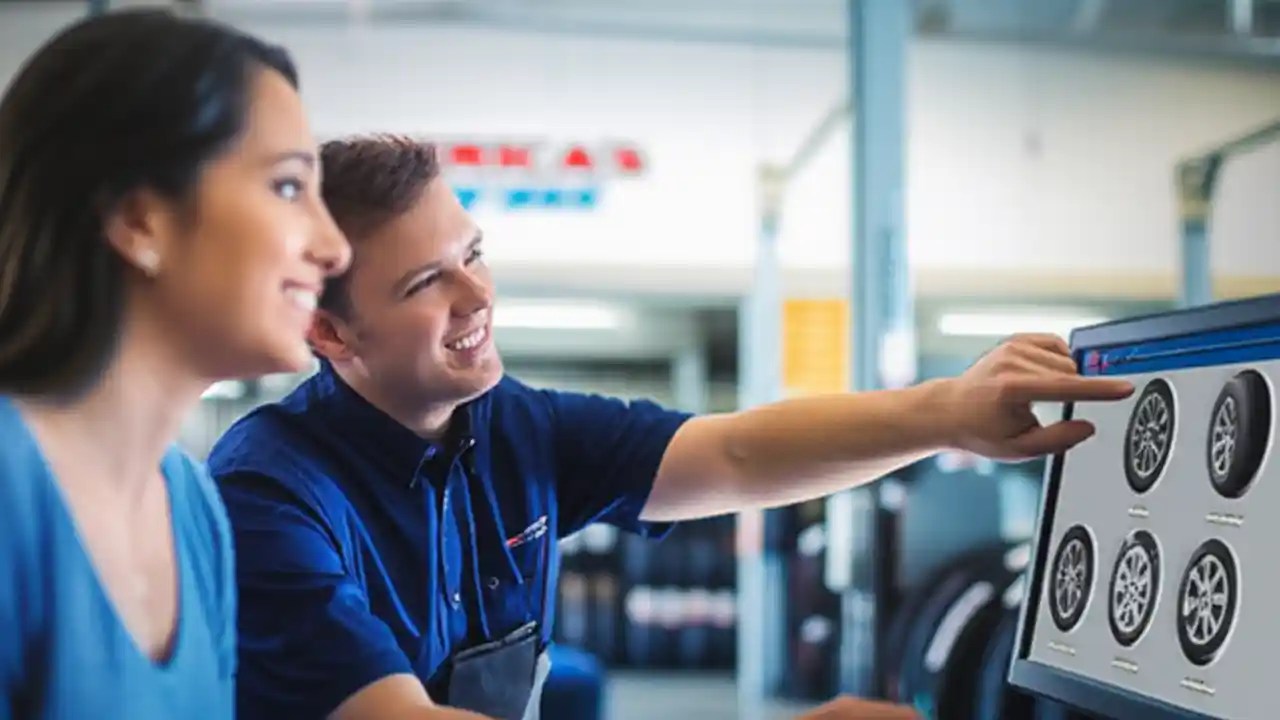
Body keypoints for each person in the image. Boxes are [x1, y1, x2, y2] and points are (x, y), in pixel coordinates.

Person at [206, 135, 1133, 720]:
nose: (479, 297)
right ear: (328, 332)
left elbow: (728, 453)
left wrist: (947, 415)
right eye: (426, 284)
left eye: (474, 254)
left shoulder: (508, 426)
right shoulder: (270, 491)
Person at [0, 9, 350, 719]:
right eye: (288, 187)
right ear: (139, 219)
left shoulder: (192, 506)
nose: (334, 247)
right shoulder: (11, 489)